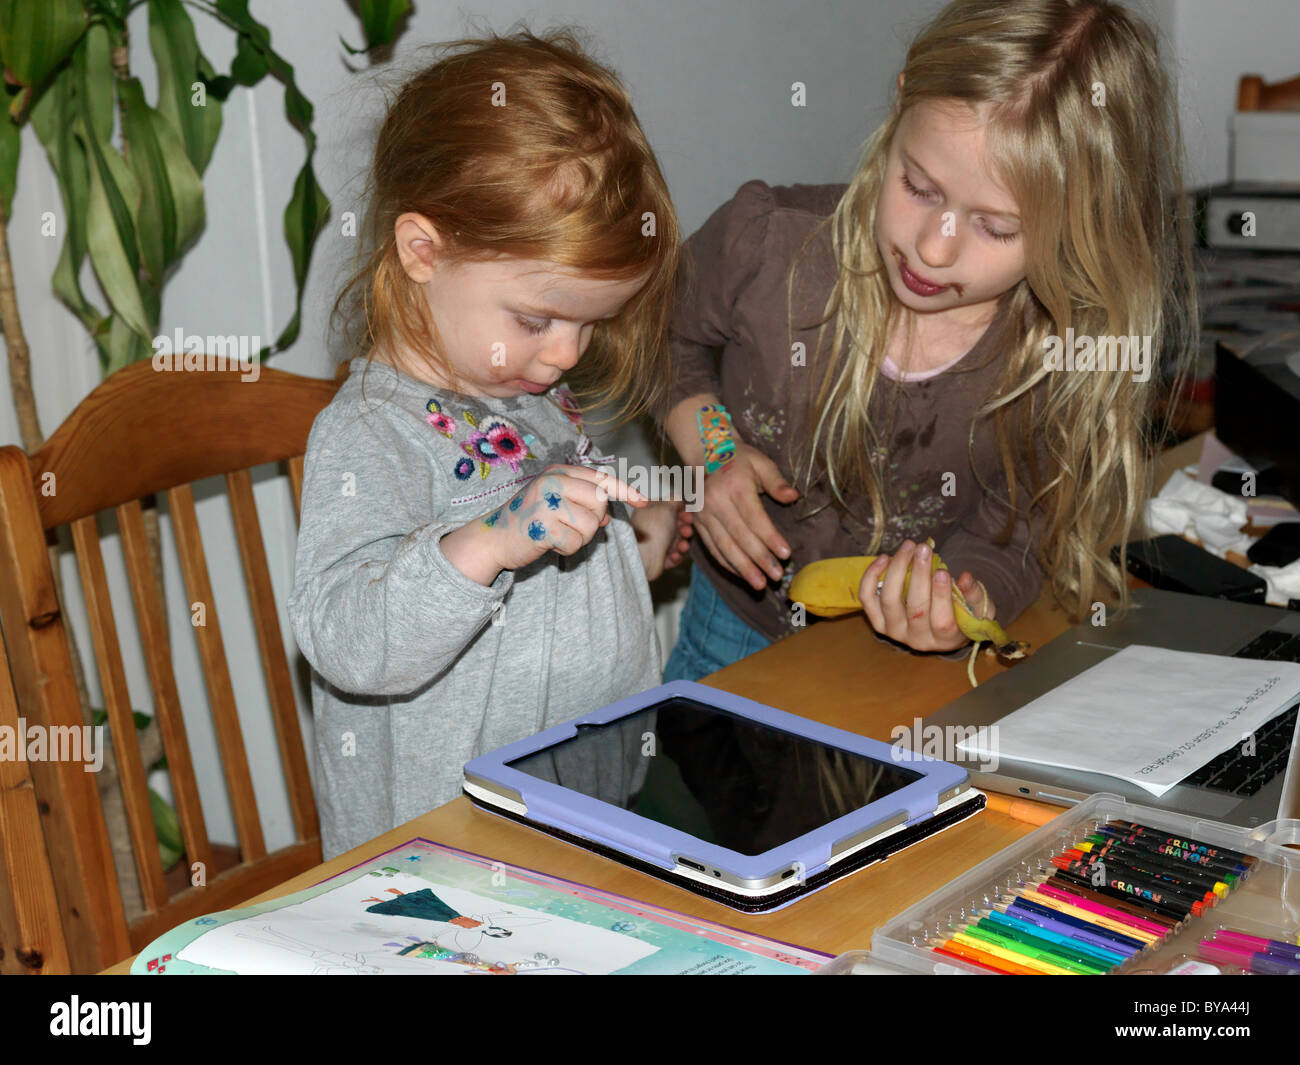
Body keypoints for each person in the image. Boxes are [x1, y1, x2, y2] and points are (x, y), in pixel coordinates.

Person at [659, 0, 1197, 681]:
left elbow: (1016, 537)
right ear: (902, 98)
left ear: (1078, 223)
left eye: (996, 228)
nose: (933, 248)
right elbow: (661, 343)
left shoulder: (1056, 354)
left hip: (903, 669)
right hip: (731, 623)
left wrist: (967, 598)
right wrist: (711, 450)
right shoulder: (765, 242)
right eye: (918, 185)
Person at [289, 29, 691, 859]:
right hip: (440, 855)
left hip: (583, 811)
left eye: (591, 321)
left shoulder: (526, 384)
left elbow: (538, 599)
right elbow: (346, 637)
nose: (568, 353)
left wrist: (631, 551)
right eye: (538, 318)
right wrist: (493, 539)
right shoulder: (370, 434)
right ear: (423, 251)